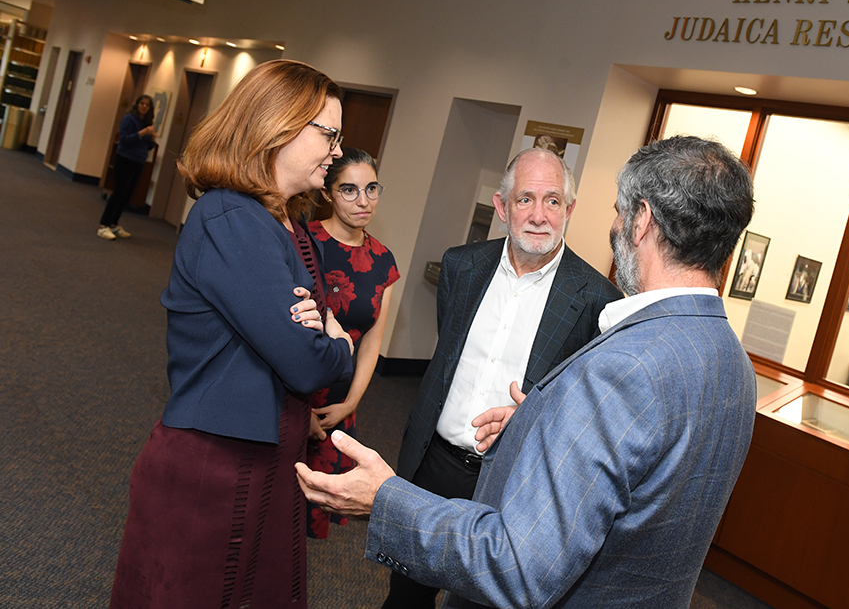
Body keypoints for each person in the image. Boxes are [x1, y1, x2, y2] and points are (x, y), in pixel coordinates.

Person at [296, 135, 758, 609]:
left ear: (640, 220)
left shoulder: (619, 368)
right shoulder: (735, 365)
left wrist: (385, 500)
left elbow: (519, 566)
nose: (614, 225)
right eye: (526, 200)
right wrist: (542, 418)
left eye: (620, 211)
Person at [110, 60, 356, 608]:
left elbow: (307, 342)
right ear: (279, 124)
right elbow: (307, 362)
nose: (337, 151)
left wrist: (323, 339)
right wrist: (339, 345)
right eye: (329, 134)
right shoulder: (232, 219)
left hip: (263, 456)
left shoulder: (281, 223)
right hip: (213, 466)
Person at [380, 147, 622, 607]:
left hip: (514, 485)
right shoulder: (460, 267)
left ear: (569, 210)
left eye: (553, 201)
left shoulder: (597, 300)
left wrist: (536, 415)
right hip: (433, 465)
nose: (538, 215)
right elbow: (447, 356)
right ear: (502, 206)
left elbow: (585, 408)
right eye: (525, 199)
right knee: (404, 595)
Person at [305, 147, 400, 539]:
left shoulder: (383, 261)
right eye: (349, 190)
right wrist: (301, 409)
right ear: (327, 192)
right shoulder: (302, 241)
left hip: (340, 401)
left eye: (371, 188)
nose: (363, 201)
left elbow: (373, 341)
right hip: (289, 392)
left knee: (310, 509)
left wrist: (350, 403)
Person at [98, 94, 155, 240]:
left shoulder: (147, 123)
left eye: (147, 105)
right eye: (142, 103)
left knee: (127, 195)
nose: (144, 107)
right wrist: (141, 133)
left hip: (138, 161)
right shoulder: (129, 119)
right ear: (137, 105)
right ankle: (104, 225)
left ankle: (114, 224)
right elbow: (124, 140)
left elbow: (147, 146)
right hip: (125, 159)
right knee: (118, 192)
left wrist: (152, 139)